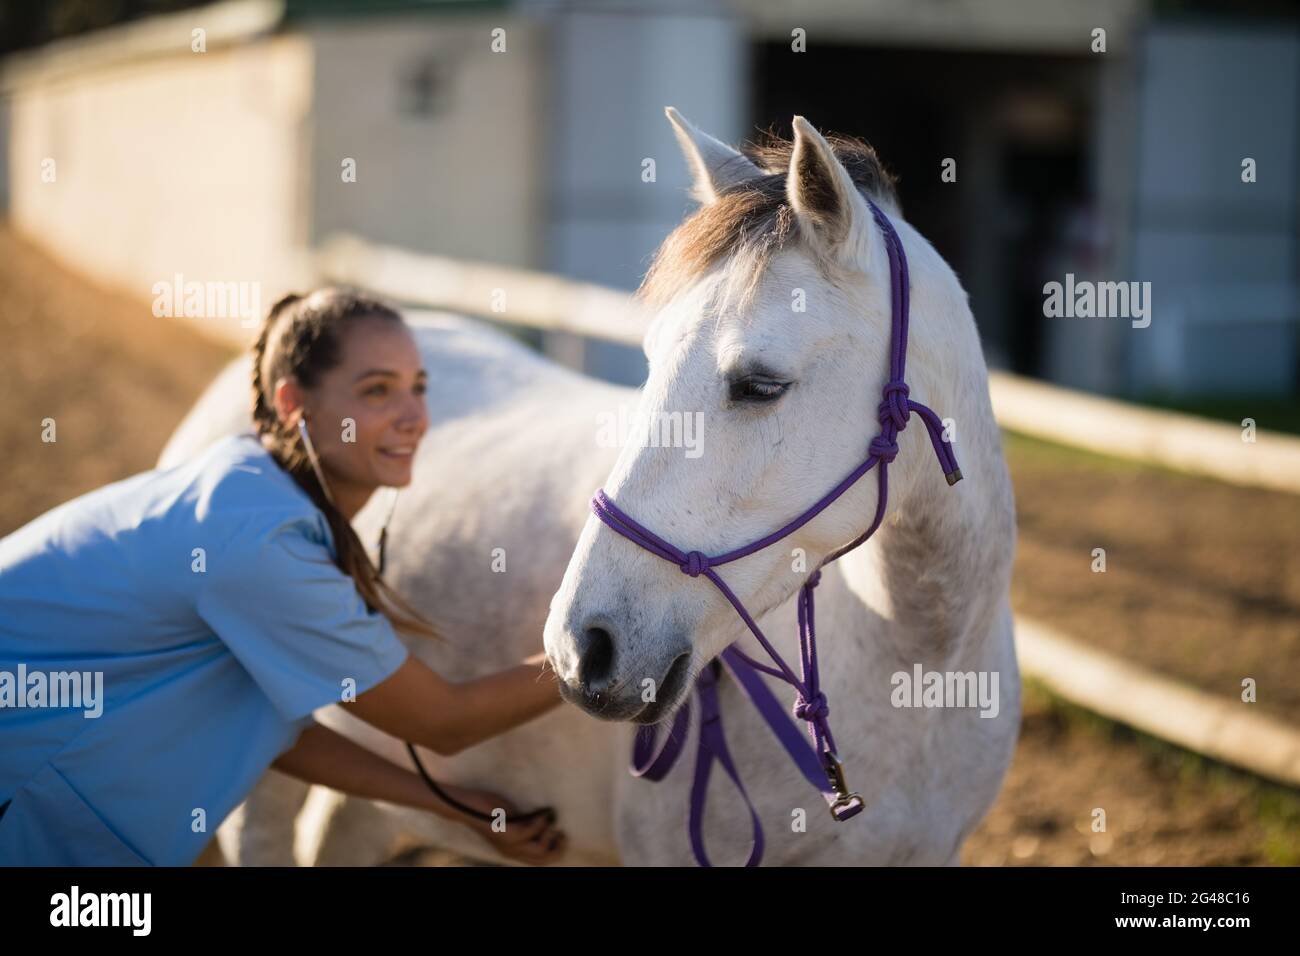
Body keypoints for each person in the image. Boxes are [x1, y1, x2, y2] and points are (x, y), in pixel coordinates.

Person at [0, 288, 566, 866]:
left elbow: (270, 734)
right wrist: (591, 652)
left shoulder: (252, 493)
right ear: (294, 403)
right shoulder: (257, 542)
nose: (414, 417)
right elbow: (442, 720)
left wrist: (451, 804)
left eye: (418, 388)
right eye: (377, 390)